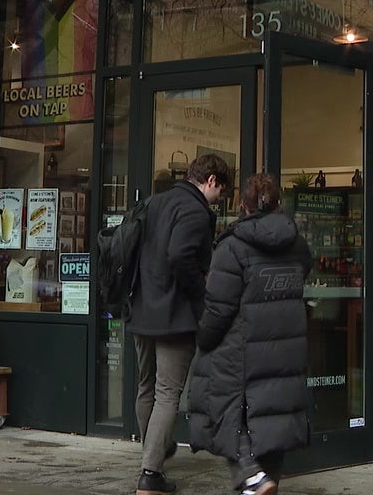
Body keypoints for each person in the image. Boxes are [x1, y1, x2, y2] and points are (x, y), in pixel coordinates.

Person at [189, 173, 312, 495]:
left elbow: (218, 308)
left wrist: (202, 340)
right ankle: (261, 481)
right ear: (279, 204)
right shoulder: (297, 244)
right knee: (274, 417)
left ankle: (251, 474)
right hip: (286, 346)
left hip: (240, 349)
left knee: (225, 408)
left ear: (242, 205)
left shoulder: (232, 247)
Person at [128, 152, 232, 495]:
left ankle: (153, 448)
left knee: (146, 386)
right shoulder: (195, 211)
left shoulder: (156, 202)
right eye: (221, 191)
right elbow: (179, 256)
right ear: (212, 180)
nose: (219, 199)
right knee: (167, 393)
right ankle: (150, 472)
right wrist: (200, 293)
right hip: (173, 314)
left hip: (142, 308)